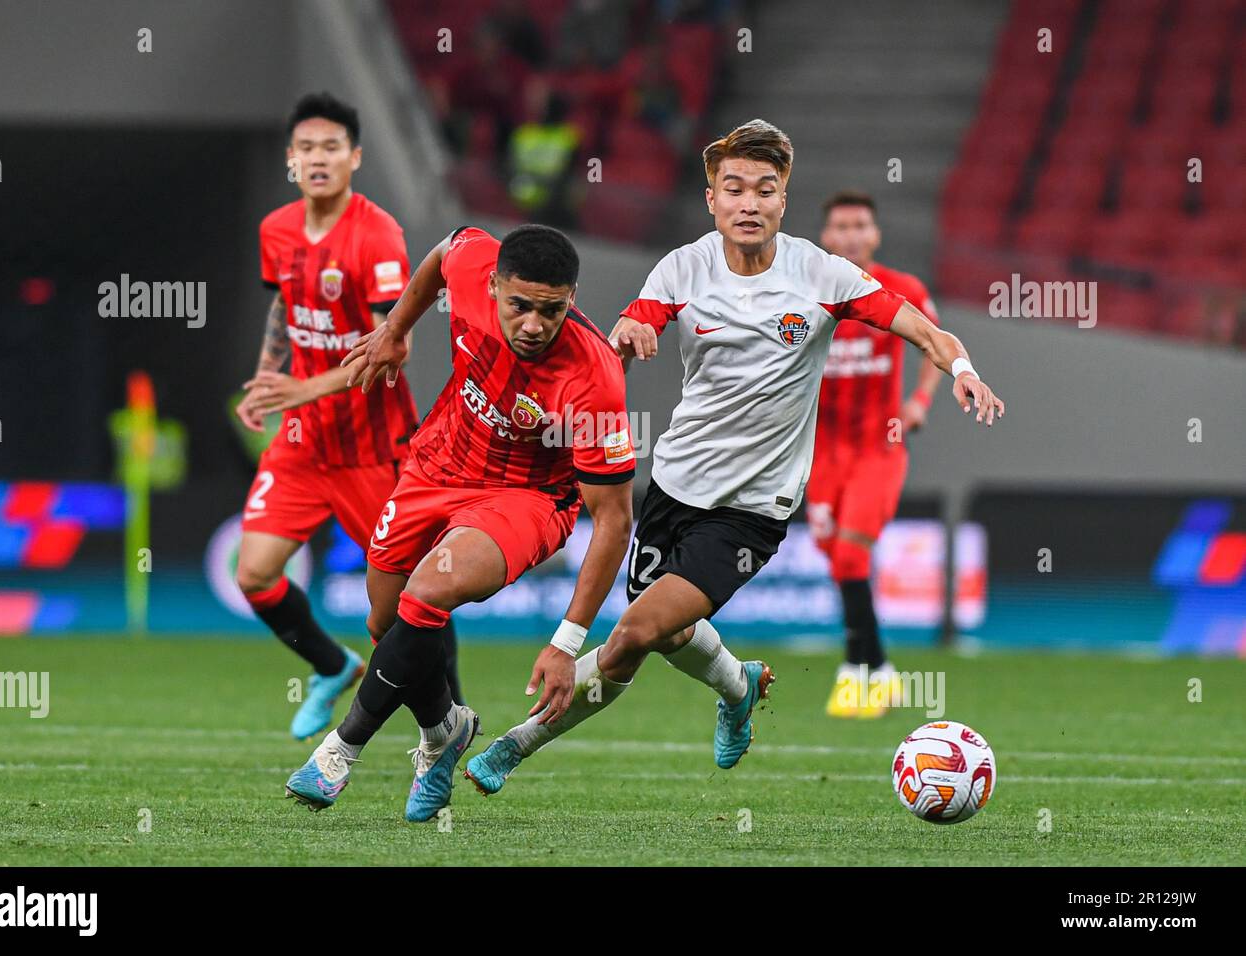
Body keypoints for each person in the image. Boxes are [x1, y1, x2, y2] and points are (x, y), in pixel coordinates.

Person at [466, 119, 1004, 796]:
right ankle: (738, 685)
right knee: (666, 633)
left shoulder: (823, 274)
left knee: (635, 632)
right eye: (734, 188)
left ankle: (515, 747)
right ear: (712, 199)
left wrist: (961, 367)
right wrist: (629, 332)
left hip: (752, 509)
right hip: (674, 486)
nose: (749, 203)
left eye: (765, 190)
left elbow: (922, 327)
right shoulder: (683, 269)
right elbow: (631, 332)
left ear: (783, 201)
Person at [284, 224, 636, 822]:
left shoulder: (594, 379)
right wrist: (395, 329)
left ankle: (340, 750)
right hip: (435, 464)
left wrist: (565, 642)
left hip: (524, 498)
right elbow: (448, 248)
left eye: (550, 311)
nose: (532, 324)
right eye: (519, 305)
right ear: (494, 285)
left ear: (570, 301)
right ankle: (445, 728)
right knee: (385, 619)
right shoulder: (474, 266)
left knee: (429, 591)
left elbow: (614, 520)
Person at [232, 91, 461, 741]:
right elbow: (285, 307)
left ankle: (447, 723)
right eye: (306, 148)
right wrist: (268, 377)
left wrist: (302, 392)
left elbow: (395, 347)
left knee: (411, 604)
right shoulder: (276, 231)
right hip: (304, 447)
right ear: (290, 160)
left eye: (332, 147)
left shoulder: (378, 234)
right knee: (253, 574)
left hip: (375, 448)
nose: (318, 158)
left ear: (355, 157)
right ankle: (332, 668)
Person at [812, 190, 944, 718]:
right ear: (826, 237)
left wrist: (919, 401)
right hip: (821, 456)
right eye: (840, 225)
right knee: (840, 563)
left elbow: (934, 340)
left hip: (878, 450)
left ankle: (853, 669)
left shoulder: (902, 288)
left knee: (850, 557)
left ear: (875, 235)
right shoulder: (805, 290)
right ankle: (883, 671)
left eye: (859, 225)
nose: (849, 234)